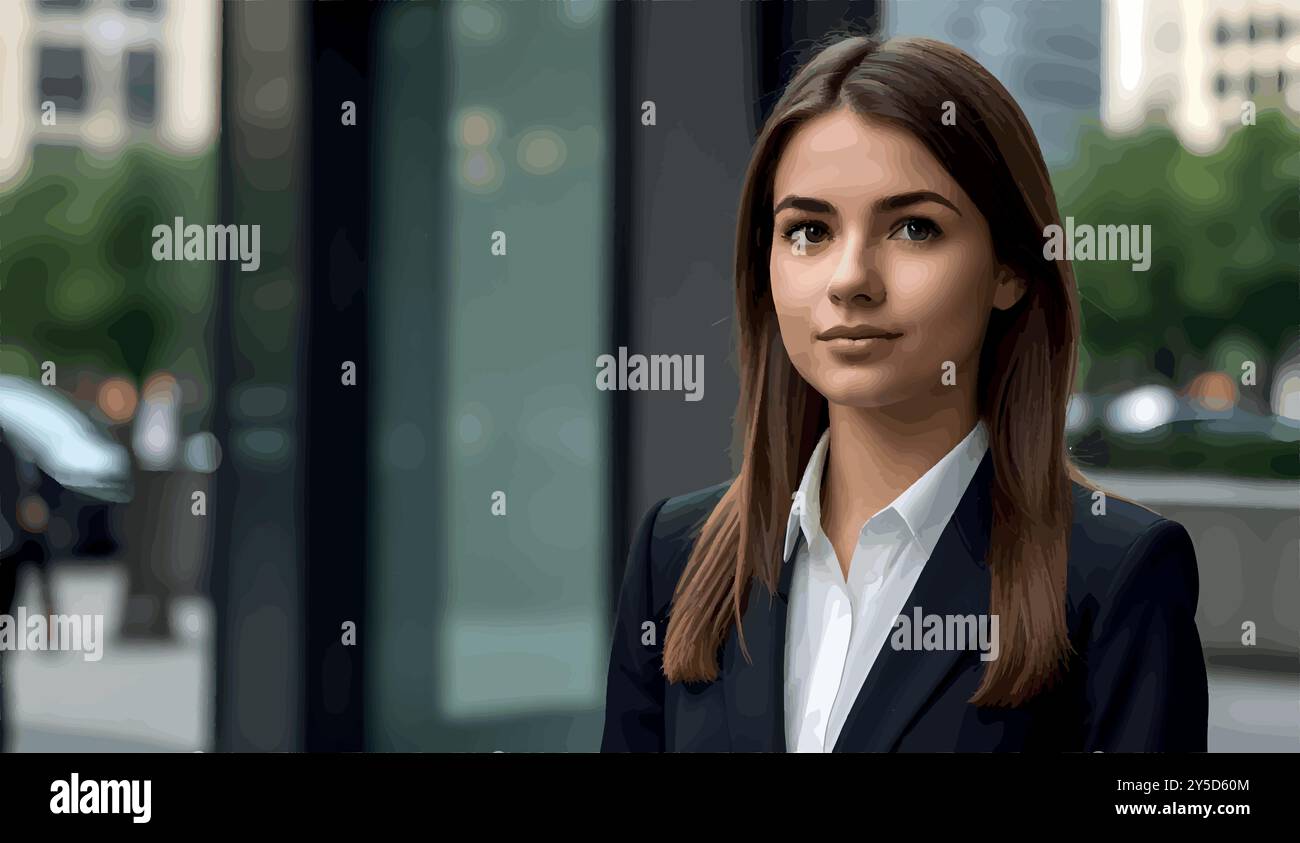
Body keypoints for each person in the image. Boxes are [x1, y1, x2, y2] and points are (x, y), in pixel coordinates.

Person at [600, 34, 1208, 752]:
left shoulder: (1117, 579)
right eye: (808, 230)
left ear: (1011, 268)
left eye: (914, 227)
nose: (850, 277)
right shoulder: (676, 555)